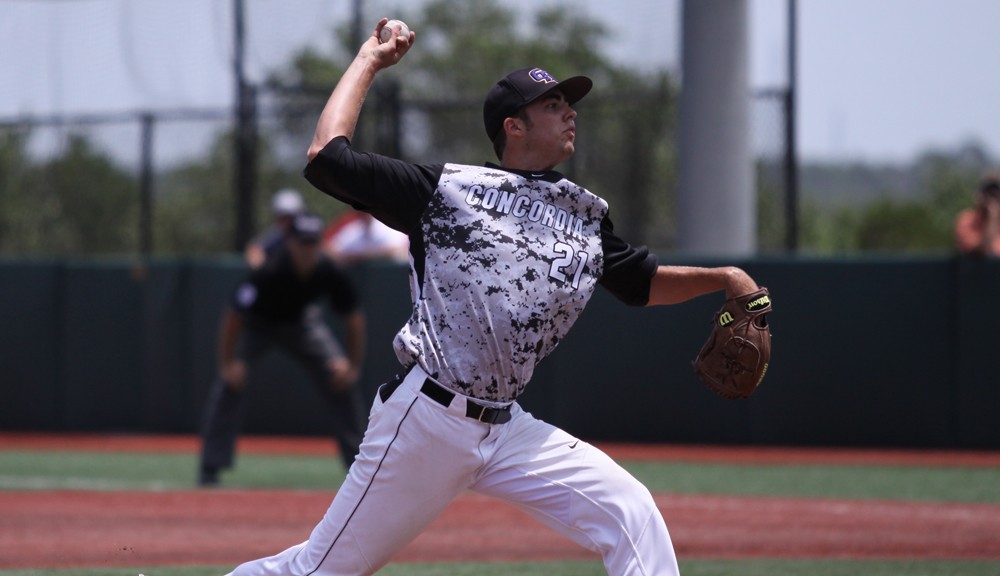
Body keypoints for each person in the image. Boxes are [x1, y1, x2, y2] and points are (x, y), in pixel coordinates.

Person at [224, 19, 762, 575]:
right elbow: (326, 158)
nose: (570, 112)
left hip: (507, 430)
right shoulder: (447, 191)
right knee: (320, 571)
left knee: (631, 512)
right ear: (515, 126)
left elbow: (640, 284)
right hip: (429, 418)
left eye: (567, 103)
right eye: (553, 105)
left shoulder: (584, 215)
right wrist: (369, 60)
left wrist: (725, 278)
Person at [199, 212, 367, 487]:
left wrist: (352, 365)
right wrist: (228, 362)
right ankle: (210, 468)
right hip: (259, 326)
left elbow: (354, 318)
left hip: (302, 323)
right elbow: (233, 316)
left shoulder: (330, 269)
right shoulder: (269, 270)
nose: (307, 249)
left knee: (341, 380)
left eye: (313, 242)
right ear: (290, 243)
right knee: (230, 384)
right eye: (302, 242)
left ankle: (361, 469)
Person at [244, 188, 306, 268]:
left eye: (291, 217)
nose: (287, 221)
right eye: (283, 217)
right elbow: (254, 250)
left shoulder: (308, 237)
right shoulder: (277, 236)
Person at [322, 209, 409, 265]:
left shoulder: (388, 226)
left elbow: (394, 252)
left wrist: (360, 257)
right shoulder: (354, 229)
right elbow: (331, 251)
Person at [954, 170, 1000, 256]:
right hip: (976, 269)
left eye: (996, 194)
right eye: (989, 193)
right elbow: (984, 251)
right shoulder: (966, 220)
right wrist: (992, 217)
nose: (992, 198)